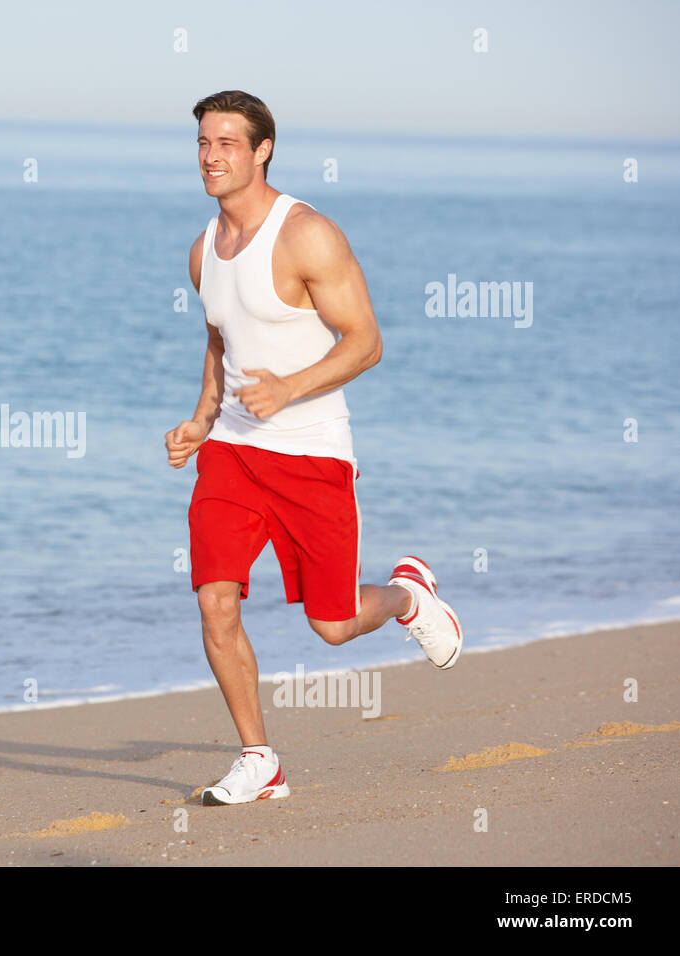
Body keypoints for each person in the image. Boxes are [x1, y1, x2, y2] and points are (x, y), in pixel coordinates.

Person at [165, 91, 462, 806]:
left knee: (331, 626)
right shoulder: (204, 250)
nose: (211, 155)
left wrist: (289, 389)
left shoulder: (307, 235)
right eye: (204, 142)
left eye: (228, 142)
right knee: (215, 602)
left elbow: (367, 342)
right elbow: (219, 339)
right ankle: (260, 759)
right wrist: (203, 418)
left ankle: (405, 597)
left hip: (311, 453)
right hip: (233, 452)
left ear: (262, 149)